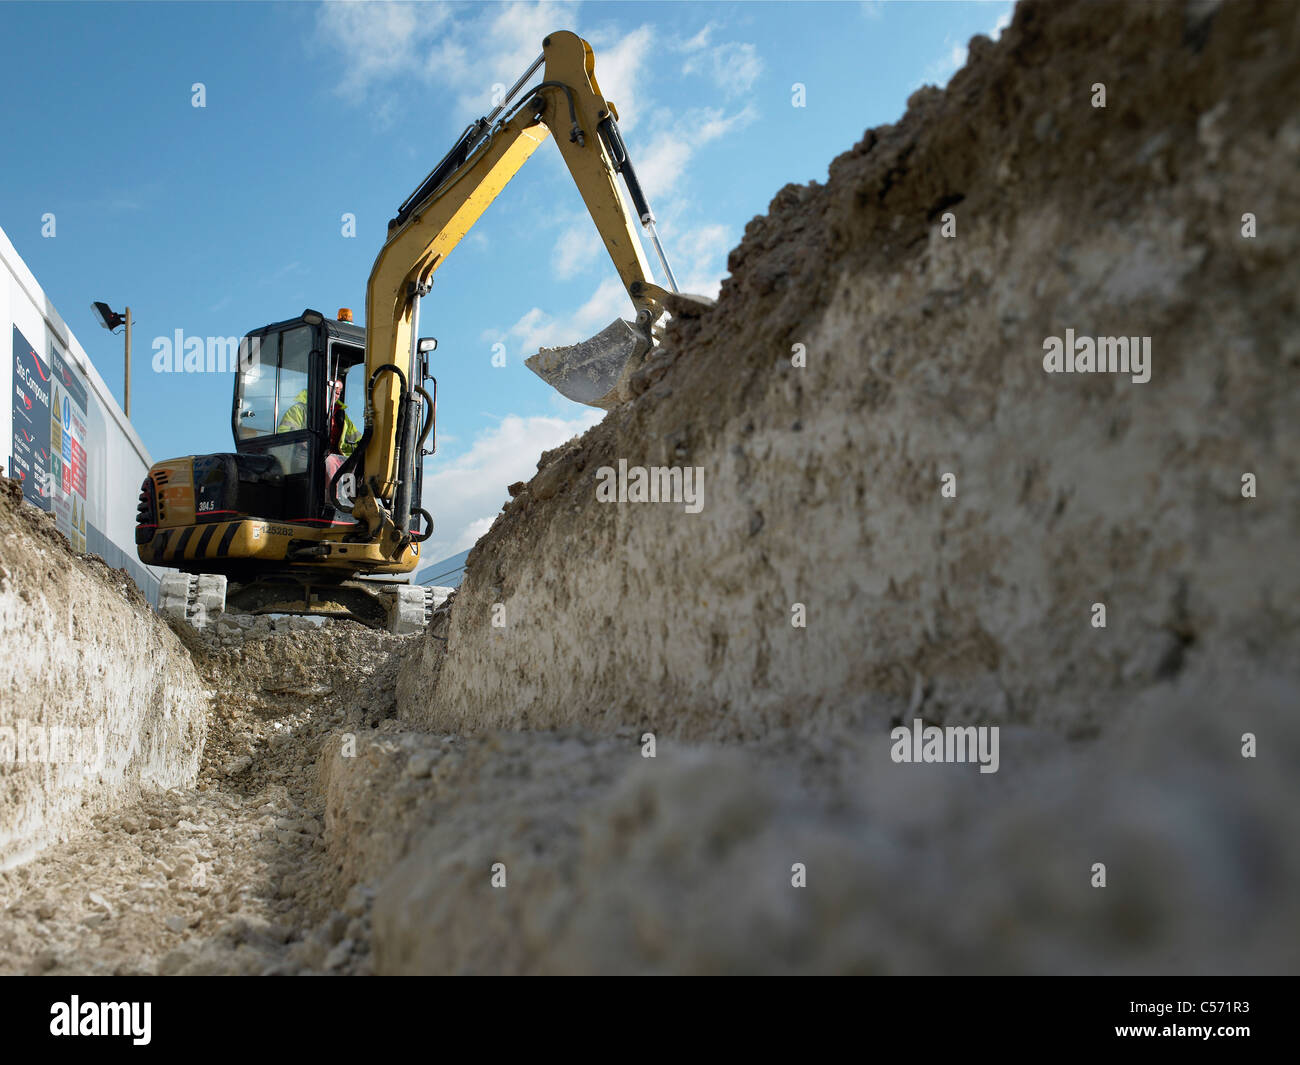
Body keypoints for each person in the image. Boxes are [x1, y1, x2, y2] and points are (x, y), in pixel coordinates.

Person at [277, 378, 361, 456]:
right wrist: (300, 440)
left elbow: (357, 441)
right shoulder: (299, 410)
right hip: (307, 458)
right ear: (321, 387)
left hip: (335, 462)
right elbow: (284, 434)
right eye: (335, 388)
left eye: (340, 390)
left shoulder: (341, 415)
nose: (338, 393)